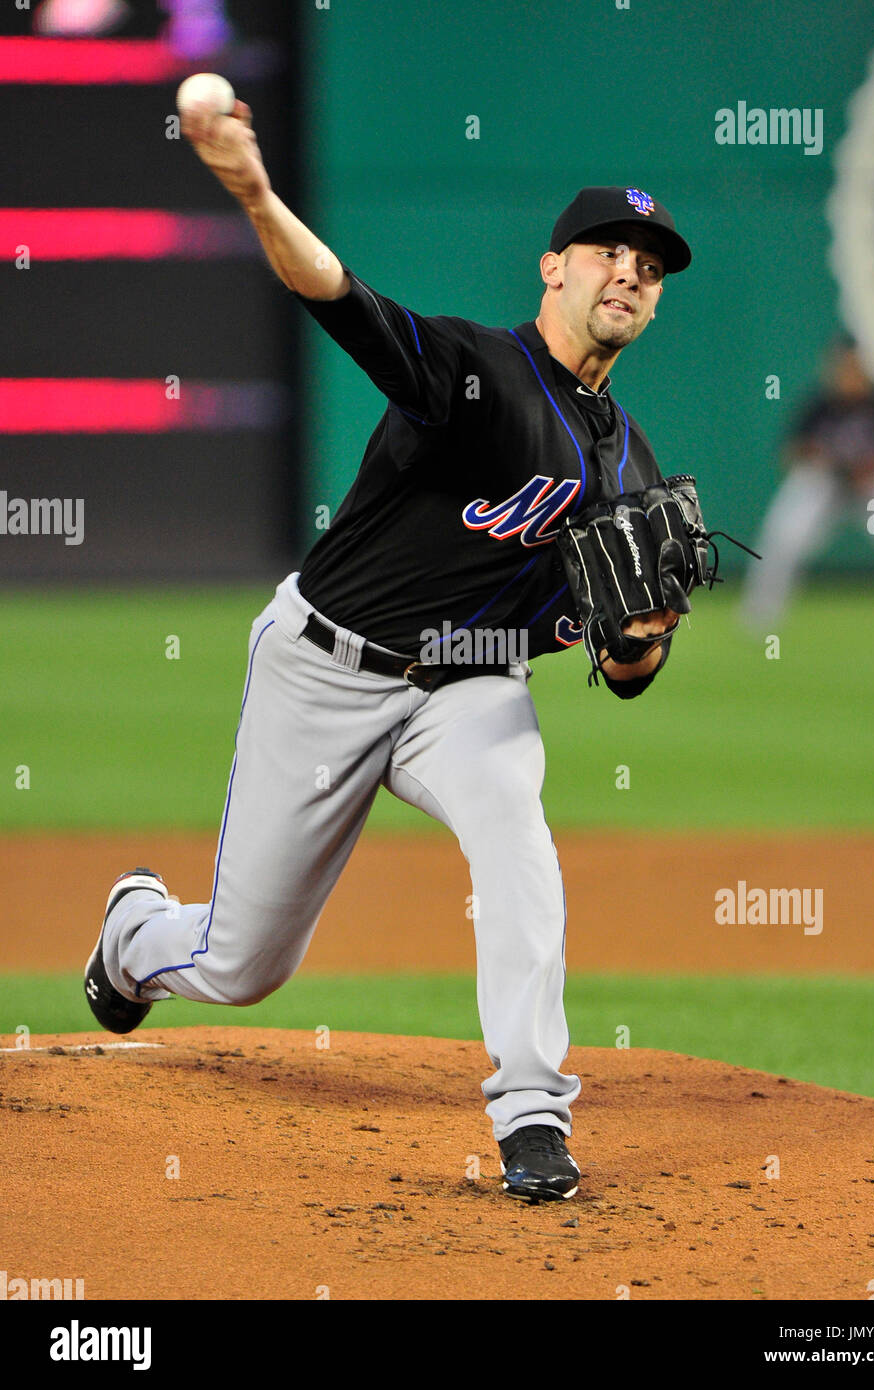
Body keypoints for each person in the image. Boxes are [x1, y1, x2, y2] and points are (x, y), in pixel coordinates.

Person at [83, 94, 692, 1202]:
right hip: (326, 665)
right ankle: (133, 933)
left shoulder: (631, 464)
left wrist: (641, 637)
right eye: (609, 250)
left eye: (650, 266)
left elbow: (621, 672)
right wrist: (255, 192)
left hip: (468, 686)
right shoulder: (472, 373)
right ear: (552, 268)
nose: (629, 273)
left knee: (516, 828)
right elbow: (342, 300)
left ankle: (531, 1113)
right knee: (243, 965)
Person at [741, 336, 874, 632]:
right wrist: (824, 461)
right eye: (845, 367)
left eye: (857, 367)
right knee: (784, 536)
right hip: (827, 484)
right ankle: (759, 615)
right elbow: (791, 453)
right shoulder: (819, 405)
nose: (850, 373)